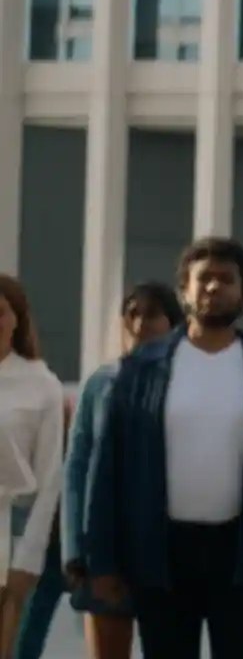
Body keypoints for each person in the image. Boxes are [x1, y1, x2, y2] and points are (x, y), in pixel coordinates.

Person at [85, 237, 243, 659]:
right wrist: (103, 560)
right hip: (161, 552)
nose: (213, 287)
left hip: (242, 553)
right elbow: (109, 465)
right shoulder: (143, 368)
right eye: (203, 278)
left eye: (227, 279)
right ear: (185, 289)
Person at [61, 282, 184, 659]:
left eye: (150, 313)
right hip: (106, 543)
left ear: (172, 323)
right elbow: (77, 466)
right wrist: (74, 549)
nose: (139, 322)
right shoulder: (100, 383)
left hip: (166, 546)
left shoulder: (183, 380)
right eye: (131, 313)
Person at [0, 275, 65, 657]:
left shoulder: (41, 384)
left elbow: (50, 478)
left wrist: (30, 556)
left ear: (17, 319)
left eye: (1, 312)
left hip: (11, 536)